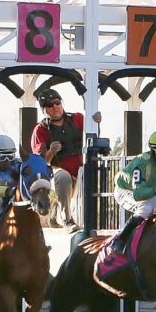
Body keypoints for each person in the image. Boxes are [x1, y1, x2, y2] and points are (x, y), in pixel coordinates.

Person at [30, 88, 101, 230]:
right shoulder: (40, 129)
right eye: (50, 105)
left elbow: (93, 137)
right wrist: (51, 151)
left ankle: (89, 221)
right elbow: (41, 161)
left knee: (90, 173)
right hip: (57, 171)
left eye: (57, 103)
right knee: (63, 176)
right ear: (44, 109)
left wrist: (96, 122)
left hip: (81, 168)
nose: (55, 107)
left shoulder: (77, 119)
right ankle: (67, 220)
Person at [111, 130, 156, 254]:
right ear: (152, 151)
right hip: (125, 190)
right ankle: (120, 239)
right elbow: (138, 195)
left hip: (146, 189)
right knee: (146, 207)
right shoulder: (142, 163)